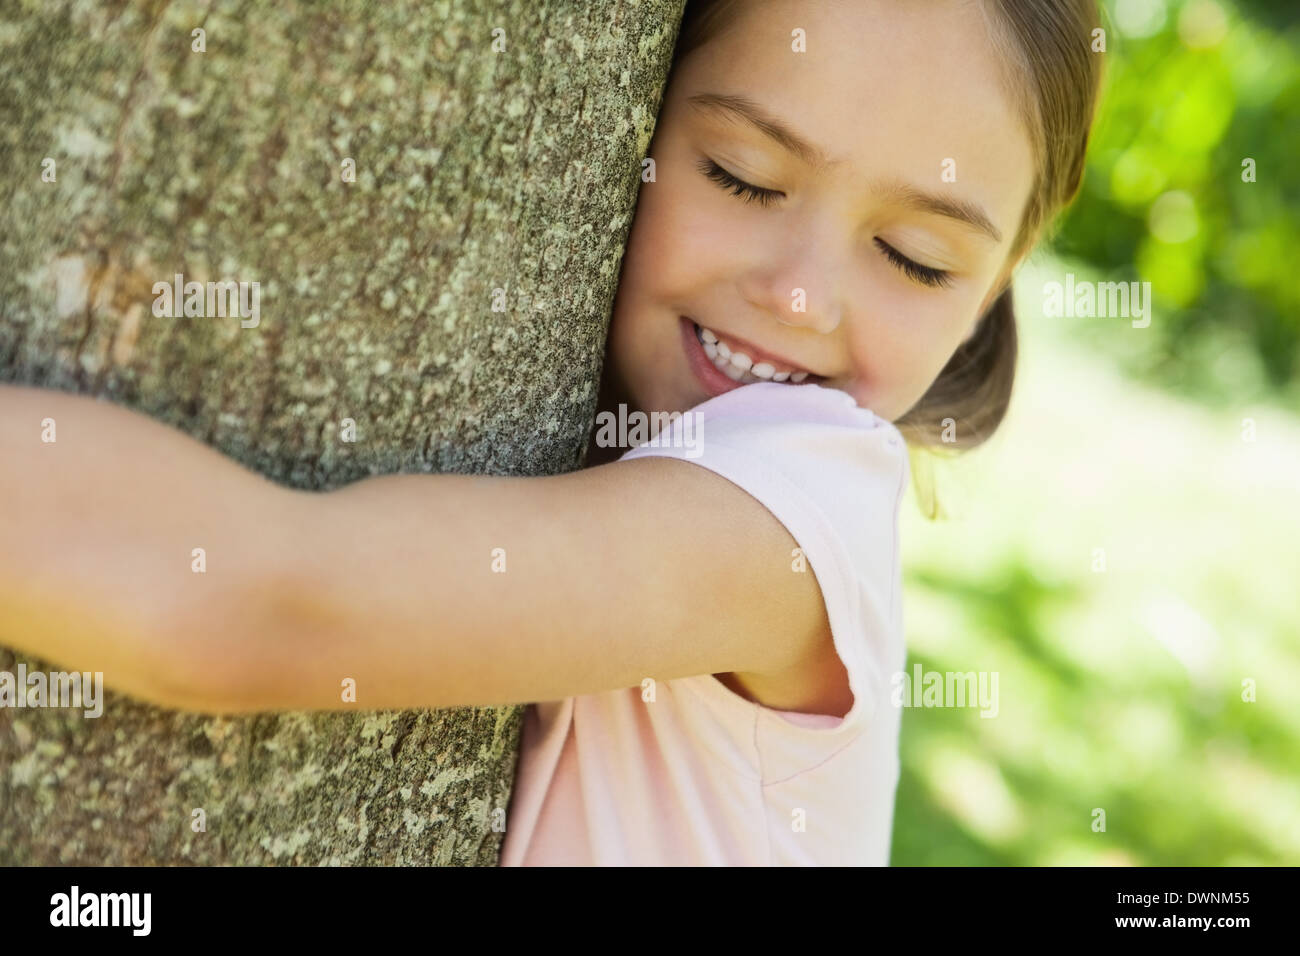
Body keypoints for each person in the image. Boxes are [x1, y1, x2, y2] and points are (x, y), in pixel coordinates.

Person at [0, 0, 1103, 865]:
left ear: (991, 290)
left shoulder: (795, 520)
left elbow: (264, 605)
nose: (803, 296)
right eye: (742, 176)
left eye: (915, 255)